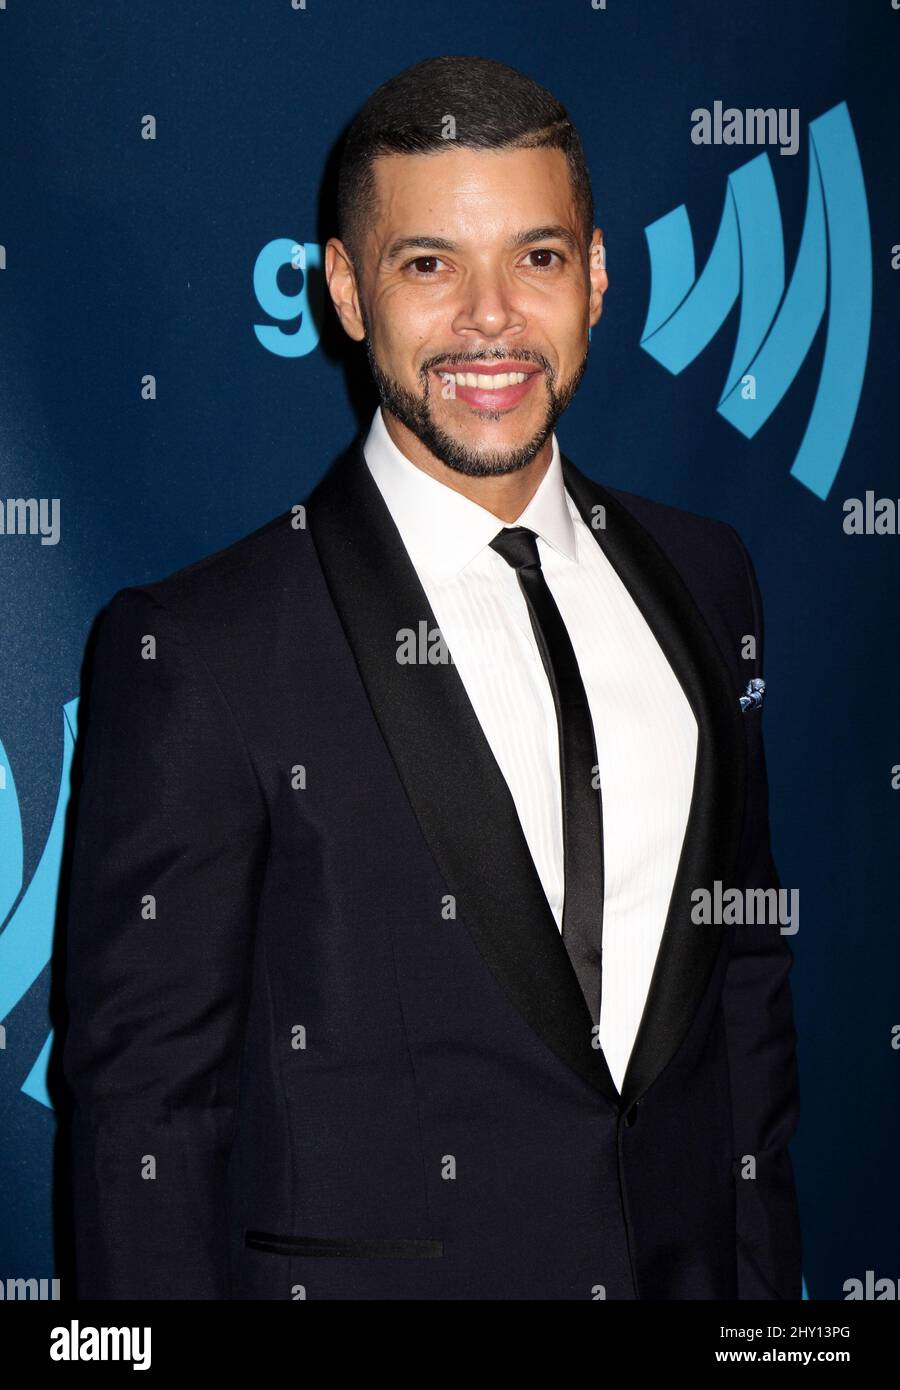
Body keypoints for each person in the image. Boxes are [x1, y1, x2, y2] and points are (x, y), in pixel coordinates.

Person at [63, 54, 802, 1300]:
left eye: (538, 256)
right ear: (346, 290)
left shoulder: (707, 577)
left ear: (600, 275)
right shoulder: (197, 651)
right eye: (428, 265)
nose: (491, 319)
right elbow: (146, 1124)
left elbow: (744, 1000)